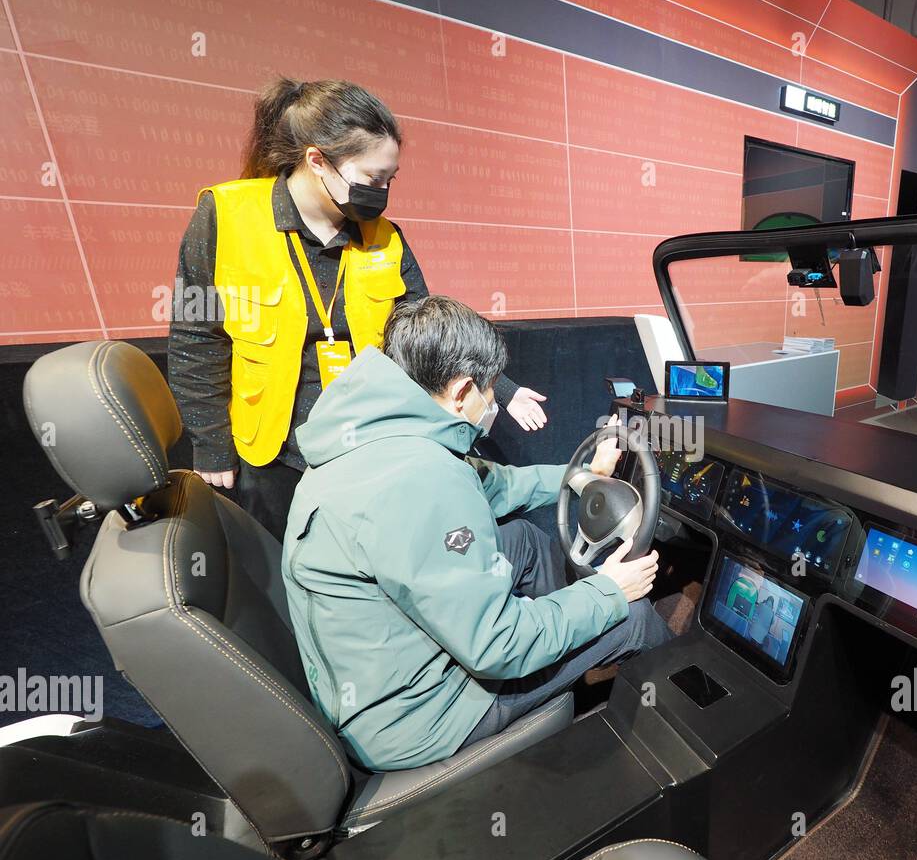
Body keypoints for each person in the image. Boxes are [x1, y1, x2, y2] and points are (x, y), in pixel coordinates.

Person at [281, 295, 673, 771]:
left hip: (377, 679)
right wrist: (607, 592)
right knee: (629, 616)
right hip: (418, 718)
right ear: (462, 391)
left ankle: (564, 638)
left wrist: (585, 474)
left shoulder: (373, 432)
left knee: (523, 541)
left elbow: (494, 484)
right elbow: (497, 645)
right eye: (491, 391)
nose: (493, 404)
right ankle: (671, 739)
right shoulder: (421, 478)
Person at [167, 77, 548, 540]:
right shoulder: (226, 215)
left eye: (390, 179)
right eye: (372, 179)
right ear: (317, 160)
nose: (382, 191)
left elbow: (427, 332)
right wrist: (210, 444)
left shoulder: (385, 238)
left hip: (368, 445)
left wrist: (499, 387)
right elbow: (196, 337)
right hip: (272, 454)